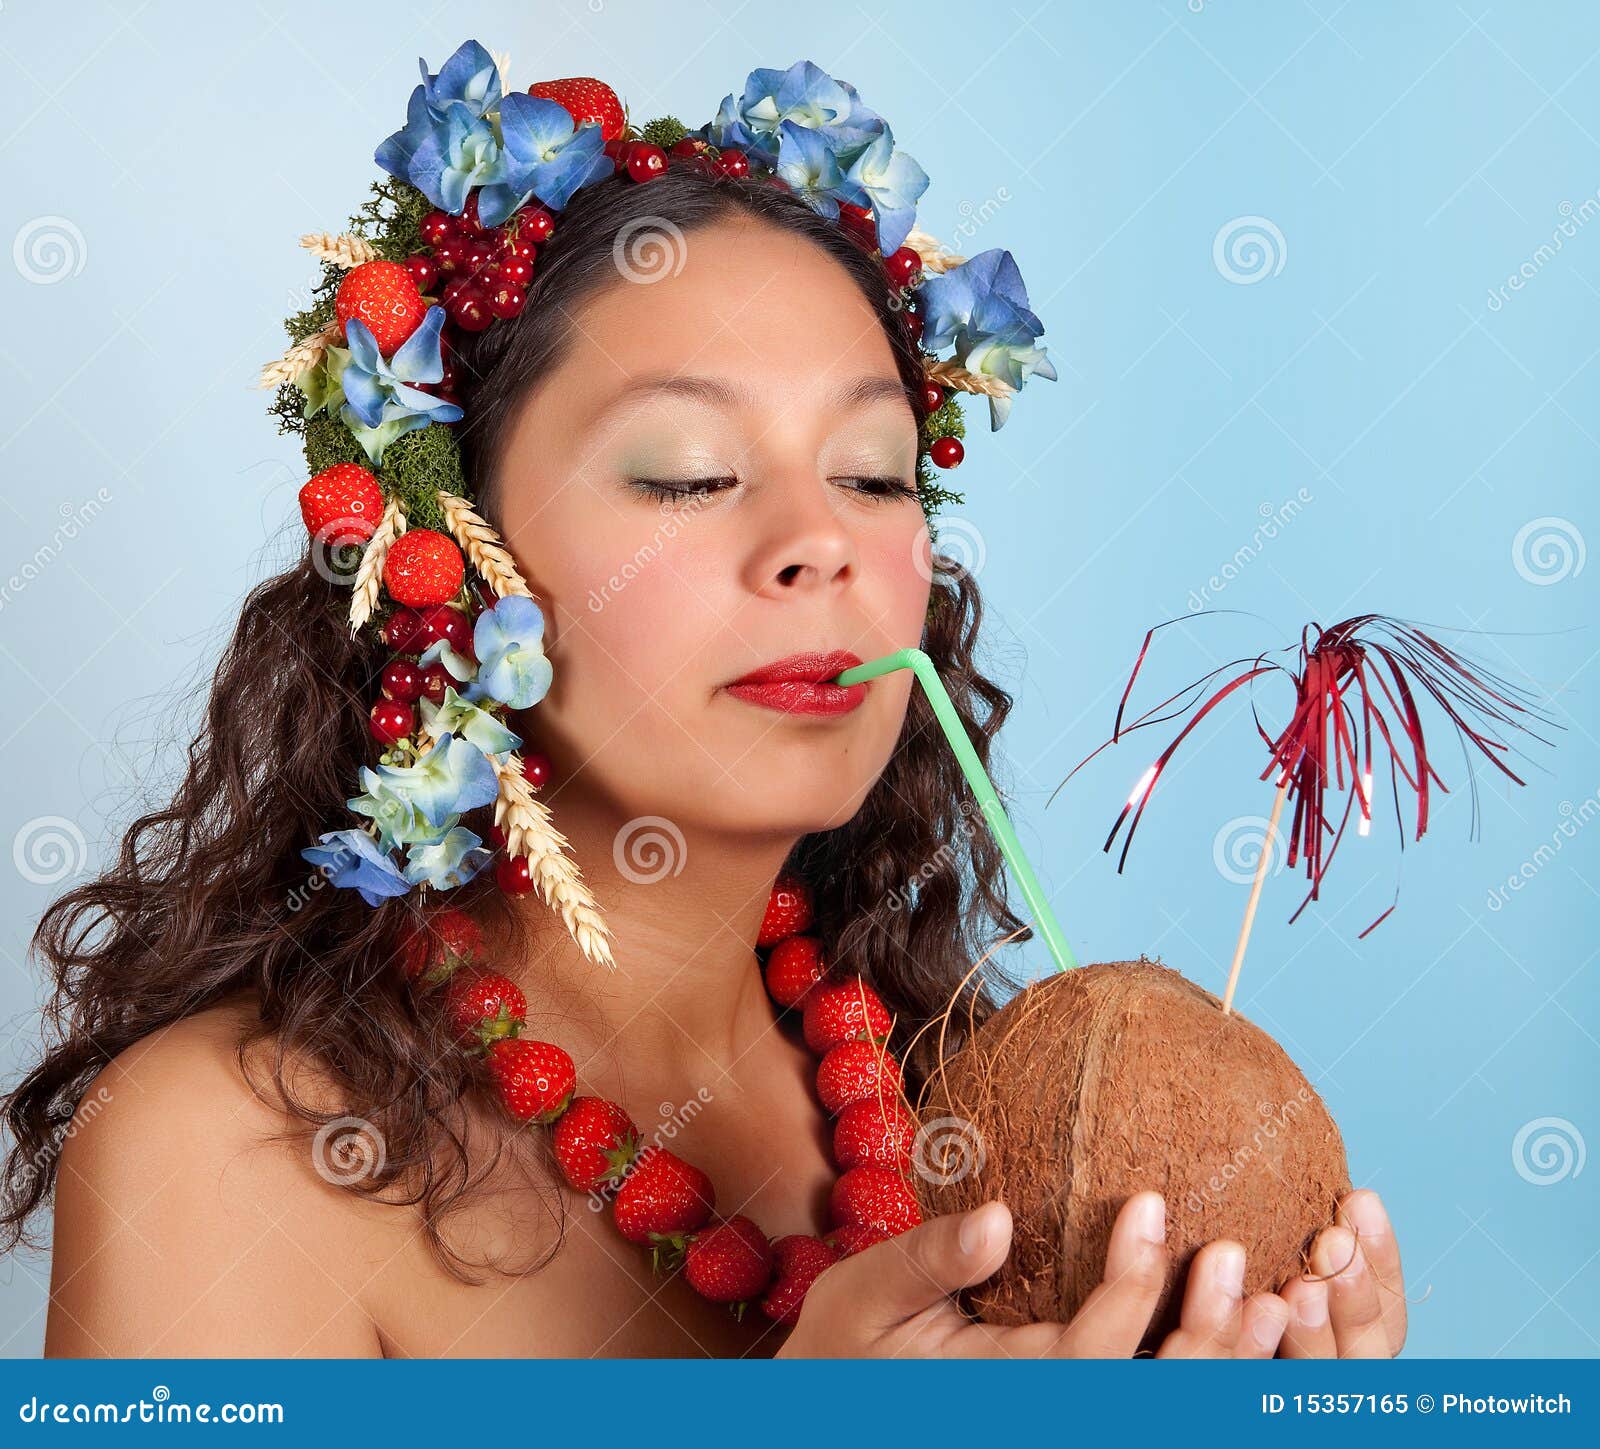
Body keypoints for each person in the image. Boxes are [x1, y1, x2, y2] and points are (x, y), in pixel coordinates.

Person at [1, 51, 1405, 1359]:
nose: (822, 541)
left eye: (872, 472)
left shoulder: (992, 1113)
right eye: (684, 472)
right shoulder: (224, 1152)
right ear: (453, 557)